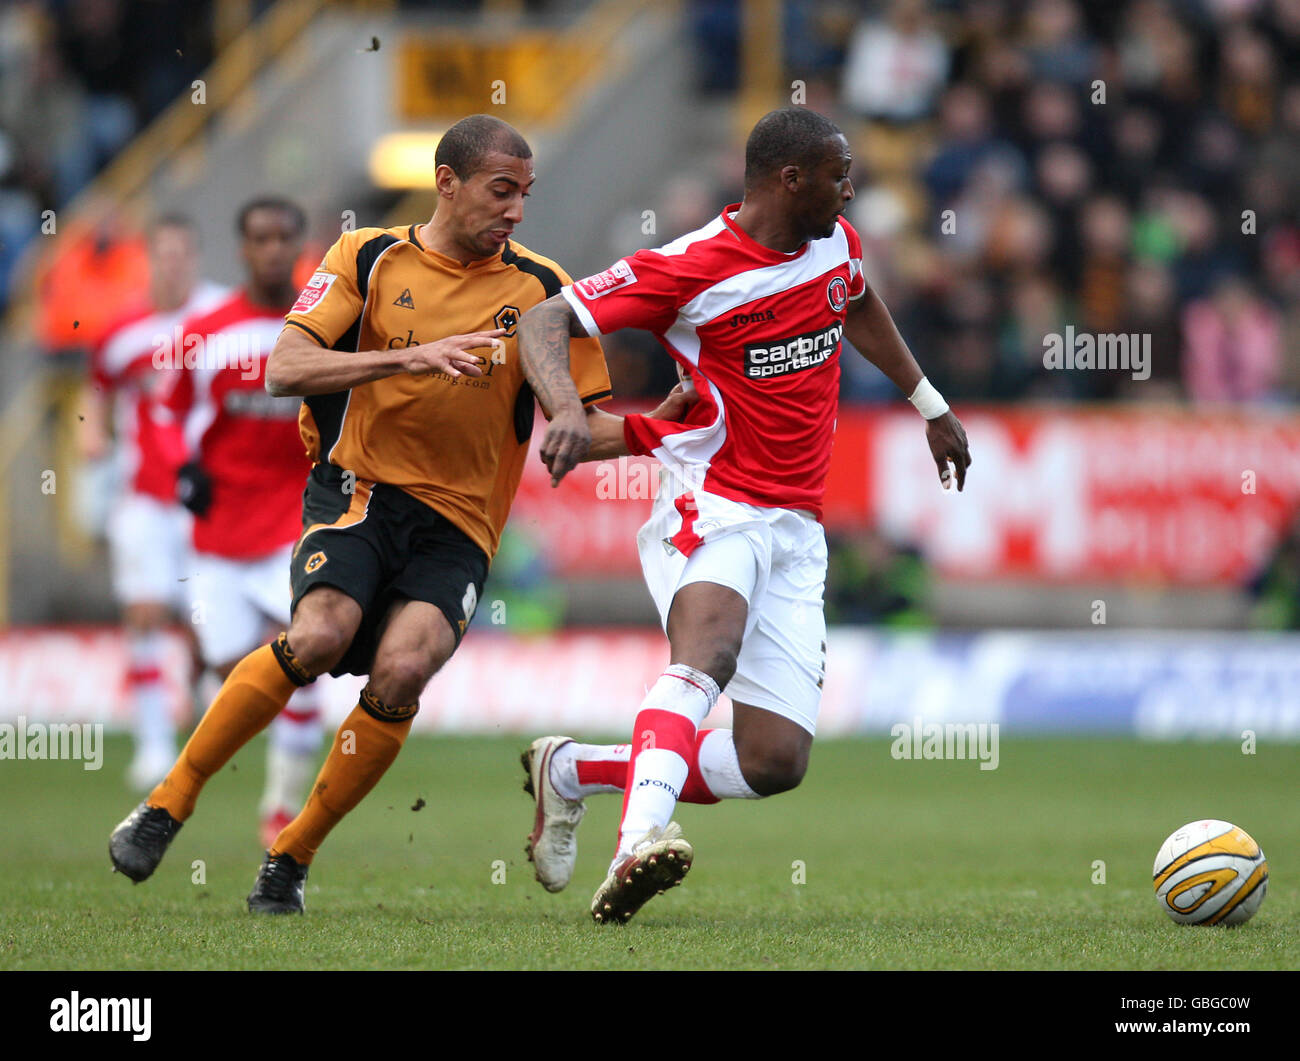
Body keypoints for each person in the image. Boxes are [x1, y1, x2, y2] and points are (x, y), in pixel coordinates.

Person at [107, 114, 685, 914]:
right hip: (361, 491)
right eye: (501, 190)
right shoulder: (368, 256)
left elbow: (582, 427)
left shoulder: (545, 291)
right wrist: (406, 355)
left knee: (404, 669)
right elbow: (286, 367)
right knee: (317, 635)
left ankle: (289, 859)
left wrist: (670, 425)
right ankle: (168, 801)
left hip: (461, 529)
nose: (517, 209)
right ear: (447, 183)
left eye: (526, 194)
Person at [518, 107, 971, 924]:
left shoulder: (836, 242)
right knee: (709, 650)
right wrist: (562, 408)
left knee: (774, 759)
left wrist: (929, 403)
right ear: (789, 179)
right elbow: (547, 318)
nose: (851, 187)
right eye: (839, 173)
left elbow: (858, 302)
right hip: (712, 496)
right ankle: (637, 845)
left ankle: (573, 770)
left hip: (796, 524)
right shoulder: (690, 265)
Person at [163, 198, 326, 849]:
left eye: (286, 237)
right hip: (220, 531)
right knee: (236, 675)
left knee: (307, 653)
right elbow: (165, 412)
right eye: (261, 238)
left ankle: (281, 806)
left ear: (300, 242)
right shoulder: (205, 331)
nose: (274, 250)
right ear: (242, 247)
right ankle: (197, 667)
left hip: (295, 522)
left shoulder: (324, 324)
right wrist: (182, 466)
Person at [81, 214, 227, 791]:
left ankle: (198, 703)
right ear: (149, 259)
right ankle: (152, 744)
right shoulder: (122, 332)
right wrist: (90, 434)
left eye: (181, 254)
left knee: (203, 627)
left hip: (207, 493)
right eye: (162, 255)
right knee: (143, 611)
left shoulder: (220, 318)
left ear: (193, 256)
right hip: (143, 493)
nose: (173, 264)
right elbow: (96, 391)